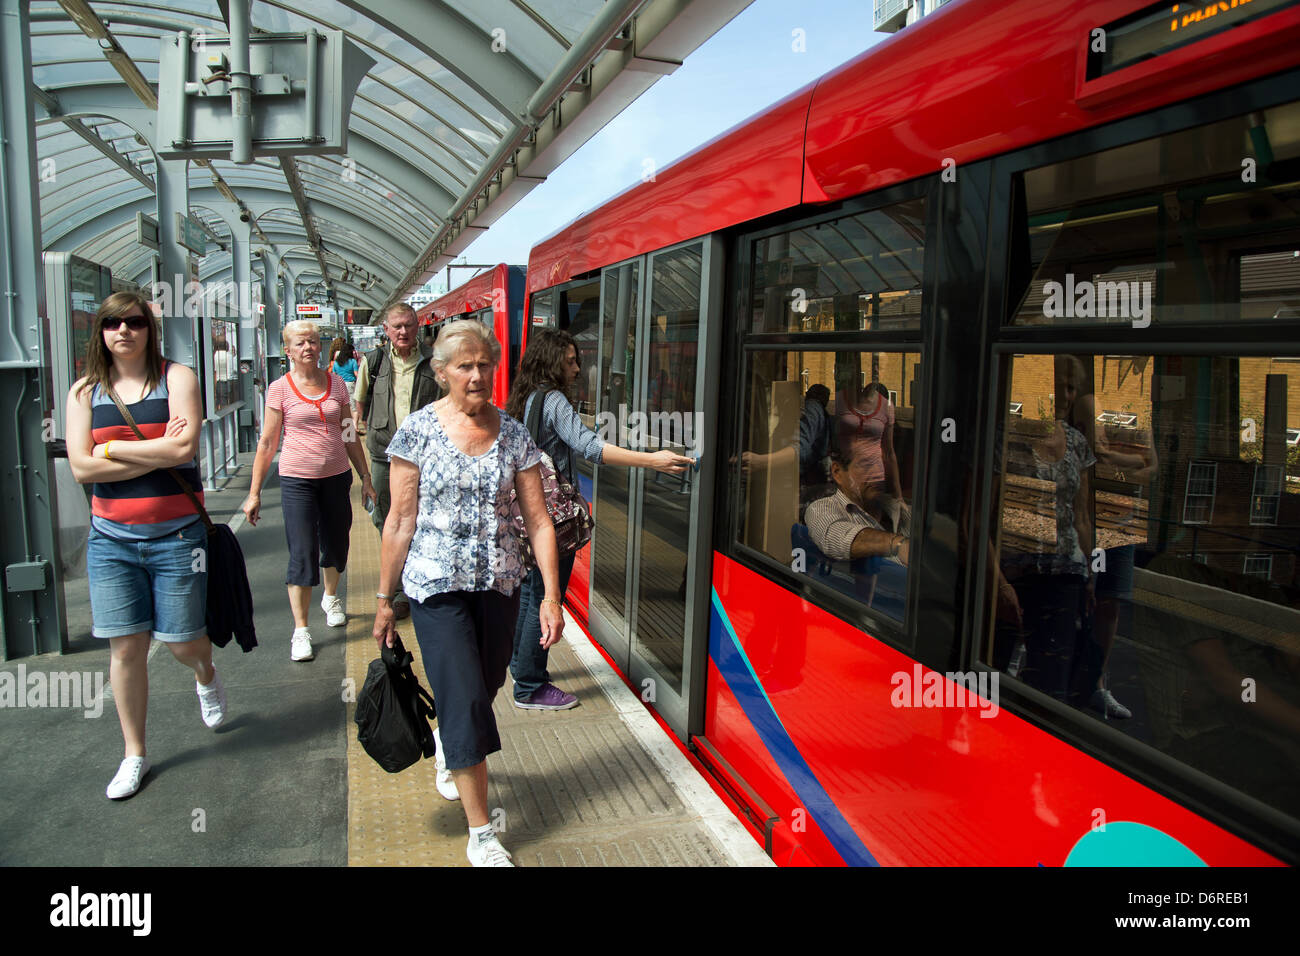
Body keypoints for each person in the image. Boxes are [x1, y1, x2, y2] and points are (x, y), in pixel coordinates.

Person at [372, 319, 562, 867]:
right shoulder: (417, 432)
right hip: (436, 588)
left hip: (500, 584)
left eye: (485, 364)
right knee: (465, 698)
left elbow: (539, 521)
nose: (477, 375)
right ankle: (482, 834)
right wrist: (385, 600)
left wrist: (551, 596)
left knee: (486, 682)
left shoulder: (515, 434)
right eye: (464, 366)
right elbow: (400, 520)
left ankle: (453, 746)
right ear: (441, 372)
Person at [65, 291, 225, 800]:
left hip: (177, 537)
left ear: (148, 329)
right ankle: (134, 753)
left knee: (182, 642)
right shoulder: (84, 392)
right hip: (110, 540)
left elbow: (184, 448)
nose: (123, 331)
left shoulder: (177, 378)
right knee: (126, 647)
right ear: (101, 332)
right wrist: (152, 451)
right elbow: (80, 467)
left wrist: (109, 447)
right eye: (112, 323)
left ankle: (206, 672)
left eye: (133, 321)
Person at [503, 328, 694, 710]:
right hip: (552, 520)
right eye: (571, 361)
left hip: (527, 511)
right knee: (543, 596)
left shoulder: (527, 396)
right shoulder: (554, 399)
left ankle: (521, 666)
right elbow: (590, 447)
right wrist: (652, 459)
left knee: (529, 595)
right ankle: (528, 685)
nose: (577, 369)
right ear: (552, 361)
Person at [241, 320, 376, 661]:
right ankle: (301, 629)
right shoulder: (279, 389)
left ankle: (330, 596)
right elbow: (268, 441)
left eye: (313, 341)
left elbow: (348, 433)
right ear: (287, 350)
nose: (308, 347)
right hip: (297, 480)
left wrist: (366, 477)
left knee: (337, 543)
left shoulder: (338, 386)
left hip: (336, 477)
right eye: (300, 343)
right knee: (302, 553)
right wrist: (255, 492)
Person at [354, 304, 440, 618]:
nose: (403, 332)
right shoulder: (373, 362)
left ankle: (407, 586)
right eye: (396, 326)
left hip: (423, 456)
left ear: (418, 327)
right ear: (386, 330)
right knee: (384, 518)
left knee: (419, 518)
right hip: (383, 454)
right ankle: (399, 577)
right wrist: (353, 447)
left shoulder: (433, 361)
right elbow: (359, 404)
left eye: (408, 325)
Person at [332, 339, 360, 424]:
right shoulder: (352, 361)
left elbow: (334, 374)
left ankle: (343, 424)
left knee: (341, 405)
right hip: (350, 384)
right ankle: (354, 425)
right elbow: (356, 374)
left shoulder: (336, 363)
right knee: (353, 406)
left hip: (339, 384)